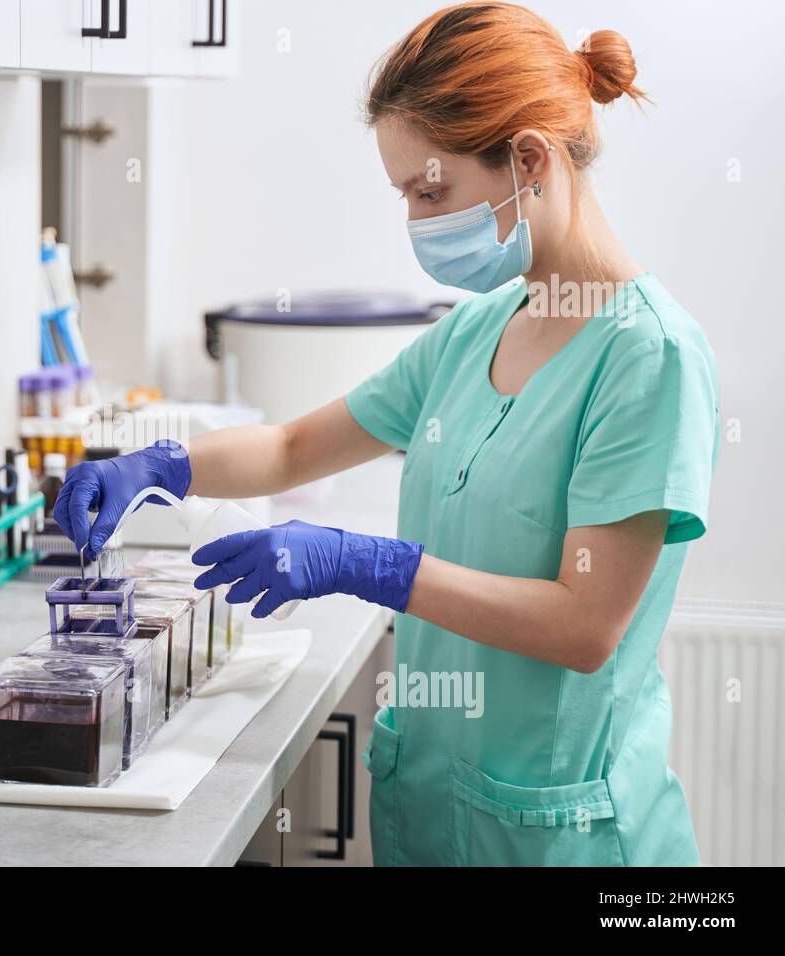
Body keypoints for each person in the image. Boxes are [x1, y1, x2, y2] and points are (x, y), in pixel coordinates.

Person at [53, 2, 718, 867]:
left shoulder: (649, 358)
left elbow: (584, 627)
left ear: (527, 159)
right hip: (436, 810)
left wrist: (369, 565)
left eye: (430, 190)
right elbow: (294, 449)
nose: (415, 220)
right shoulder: (476, 331)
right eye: (406, 194)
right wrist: (157, 465)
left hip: (562, 835)